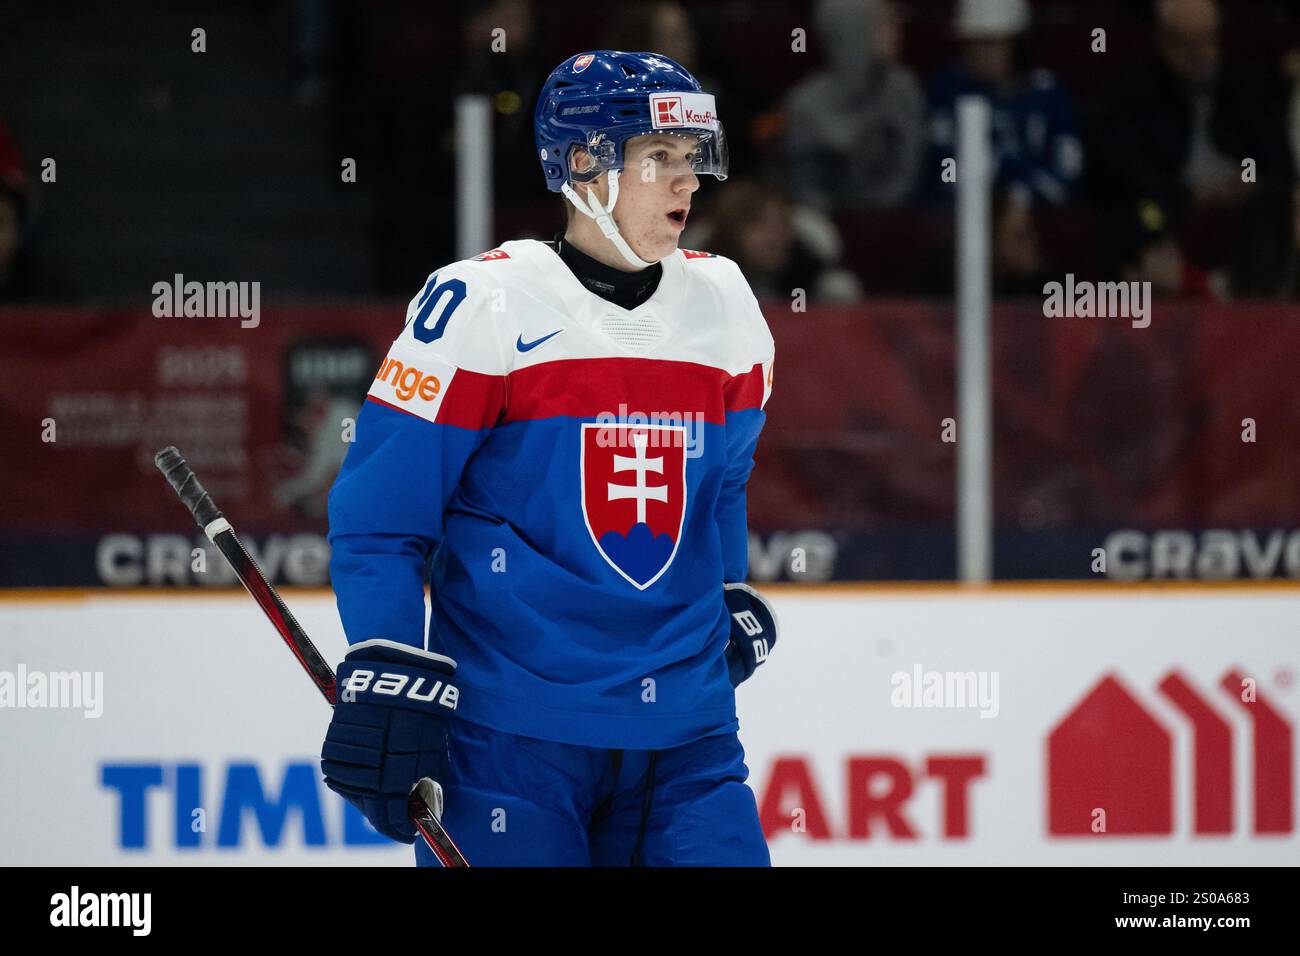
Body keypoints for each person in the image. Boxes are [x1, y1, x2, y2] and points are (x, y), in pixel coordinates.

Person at [320, 50, 777, 866]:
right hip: (507, 745)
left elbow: (721, 485)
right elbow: (380, 523)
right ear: (581, 163)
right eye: (659, 159)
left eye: (691, 158)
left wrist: (729, 589)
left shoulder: (727, 305)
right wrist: (387, 667)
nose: (688, 183)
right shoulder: (480, 304)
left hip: (690, 742)